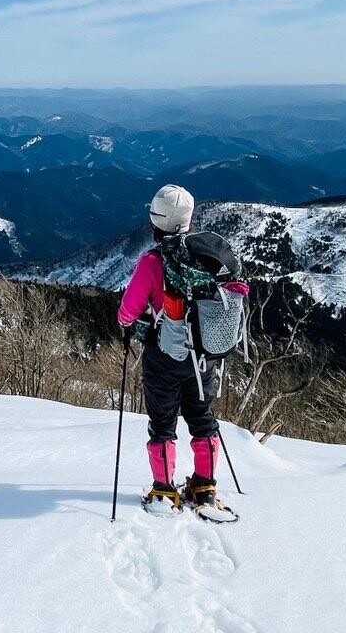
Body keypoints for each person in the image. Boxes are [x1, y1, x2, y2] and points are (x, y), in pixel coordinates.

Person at [117, 184, 249, 519]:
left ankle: (164, 490)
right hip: (205, 356)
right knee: (203, 420)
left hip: (164, 356)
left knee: (162, 423)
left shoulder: (153, 262)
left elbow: (127, 312)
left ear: (156, 222)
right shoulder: (210, 258)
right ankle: (204, 487)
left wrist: (131, 323)